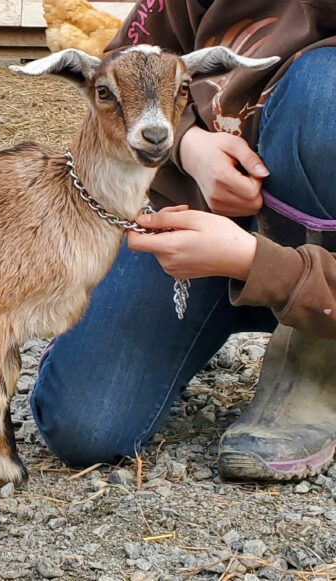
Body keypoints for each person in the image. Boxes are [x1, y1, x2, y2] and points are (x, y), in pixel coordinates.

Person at [30, 0, 336, 481]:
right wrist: (188, 144)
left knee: (323, 88)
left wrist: (253, 262)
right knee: (85, 427)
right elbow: (121, 64)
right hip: (195, 229)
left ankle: (314, 367)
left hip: (313, 281)